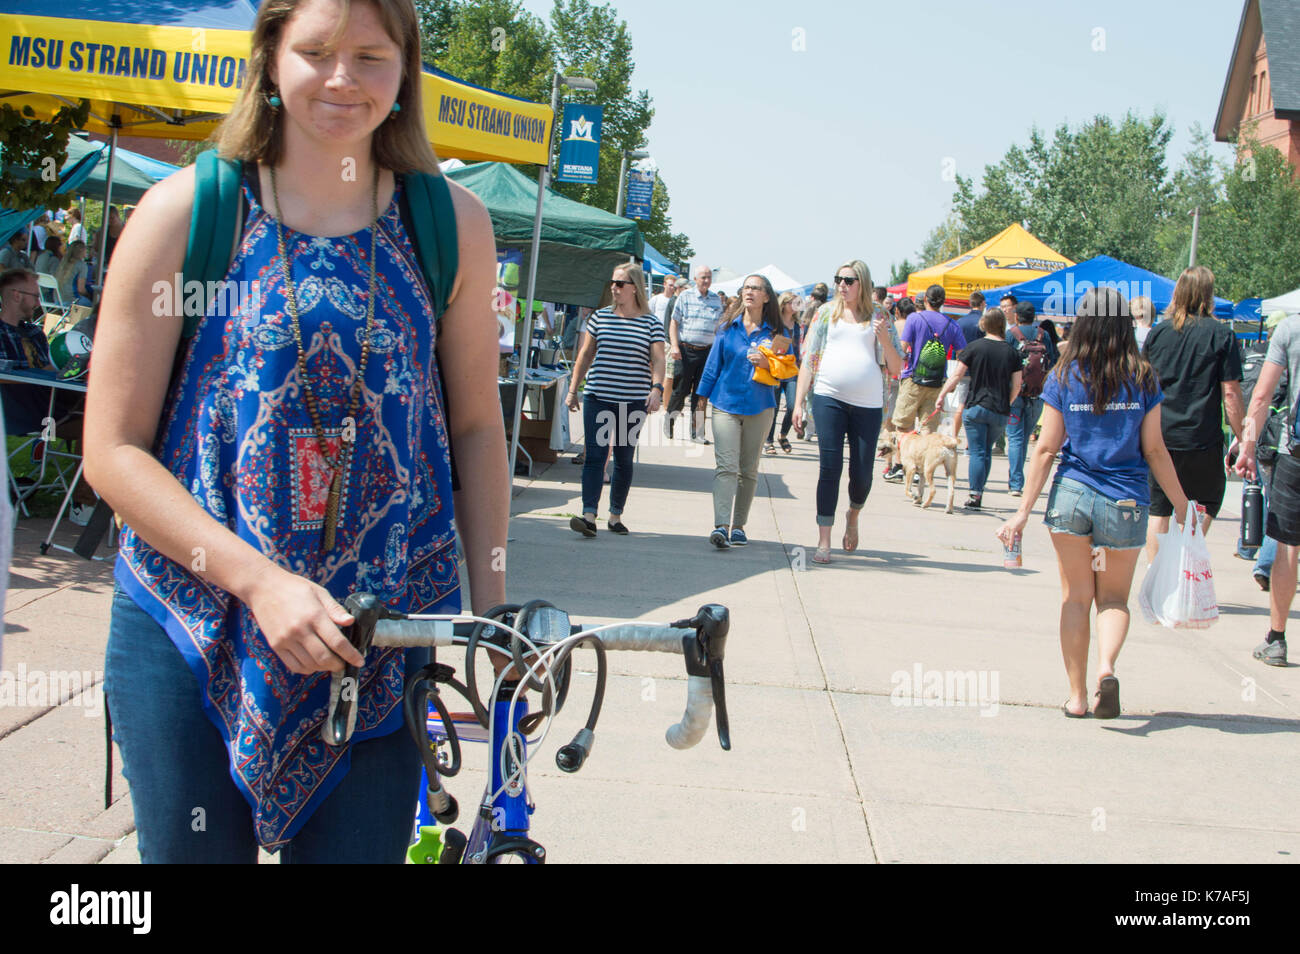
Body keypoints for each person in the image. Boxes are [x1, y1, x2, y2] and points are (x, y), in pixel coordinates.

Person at [83, 0, 508, 863]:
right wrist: (259, 584)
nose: (344, 78)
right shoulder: (186, 214)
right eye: (316, 51)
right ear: (271, 58)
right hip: (192, 629)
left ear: (405, 71)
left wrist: (492, 612)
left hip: (382, 640)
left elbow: (473, 425)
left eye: (371, 55)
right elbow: (111, 450)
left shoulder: (450, 224)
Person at [997, 288, 1188, 719]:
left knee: (1076, 598)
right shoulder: (1143, 377)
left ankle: (1077, 697)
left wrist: (1023, 510)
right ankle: (1106, 669)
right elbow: (1155, 449)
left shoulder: (1064, 376)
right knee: (1114, 600)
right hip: (1125, 500)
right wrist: (1180, 503)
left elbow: (1045, 449)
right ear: (1124, 323)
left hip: (1073, 497)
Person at [792, 260, 902, 563]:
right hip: (829, 397)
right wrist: (799, 402)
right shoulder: (826, 313)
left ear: (862, 284)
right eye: (838, 279)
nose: (842, 285)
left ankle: (853, 514)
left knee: (862, 473)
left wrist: (882, 340)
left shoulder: (880, 316)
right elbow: (809, 359)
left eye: (849, 280)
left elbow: (896, 367)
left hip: (868, 405)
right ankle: (823, 539)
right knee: (829, 468)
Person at [1142, 266, 1244, 559]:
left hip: (1160, 436)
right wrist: (1242, 437)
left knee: (1158, 509)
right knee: (1206, 503)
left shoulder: (1158, 333)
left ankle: (1157, 577)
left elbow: (1144, 385)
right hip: (1202, 437)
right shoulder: (1221, 335)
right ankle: (1185, 564)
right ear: (1208, 295)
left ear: (1178, 293)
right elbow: (1230, 393)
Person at [565, 263, 665, 536]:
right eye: (612, 282)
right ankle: (588, 516)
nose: (614, 287)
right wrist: (573, 389)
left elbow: (658, 358)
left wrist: (657, 388)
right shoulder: (599, 318)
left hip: (633, 400)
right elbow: (585, 355)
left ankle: (615, 516)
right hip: (599, 395)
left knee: (623, 458)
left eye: (620, 283)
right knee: (595, 456)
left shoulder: (651, 322)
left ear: (634, 288)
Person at [1234, 311, 1300, 667]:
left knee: (1288, 545)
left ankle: (1277, 638)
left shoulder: (1291, 327)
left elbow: (1261, 396)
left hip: (1295, 454)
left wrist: (1247, 444)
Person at [697, 274, 780, 549]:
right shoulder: (727, 328)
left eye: (756, 288)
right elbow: (712, 365)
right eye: (746, 287)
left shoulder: (776, 333)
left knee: (748, 470)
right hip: (725, 404)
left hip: (760, 406)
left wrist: (768, 365)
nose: (750, 292)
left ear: (766, 296)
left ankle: (739, 527)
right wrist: (701, 400)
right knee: (726, 466)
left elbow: (788, 371)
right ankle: (720, 525)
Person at [934, 306, 1022, 510]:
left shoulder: (974, 347)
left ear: (984, 324)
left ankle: (975, 495)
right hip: (999, 410)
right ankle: (978, 490)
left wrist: (942, 394)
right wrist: (1007, 403)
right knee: (987, 452)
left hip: (976, 406)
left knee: (977, 452)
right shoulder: (1012, 352)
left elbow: (956, 375)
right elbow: (1017, 385)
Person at [892, 283, 965, 437]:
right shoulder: (952, 325)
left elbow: (902, 348)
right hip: (936, 383)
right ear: (943, 302)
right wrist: (952, 381)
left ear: (925, 299)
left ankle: (902, 461)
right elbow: (963, 355)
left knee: (903, 426)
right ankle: (923, 460)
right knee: (928, 429)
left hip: (912, 379)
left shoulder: (914, 318)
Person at [1005, 301, 1060, 496]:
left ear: (1017, 316)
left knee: (1015, 438)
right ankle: (1020, 481)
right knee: (1025, 436)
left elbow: (1005, 363)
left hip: (1014, 393)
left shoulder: (1011, 334)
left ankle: (1016, 483)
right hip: (1038, 393)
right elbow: (1054, 362)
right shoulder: (1043, 335)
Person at [666, 264, 722, 443]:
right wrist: (674, 346)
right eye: (703, 277)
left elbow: (720, 327)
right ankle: (670, 421)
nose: (706, 281)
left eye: (709, 277)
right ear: (695, 279)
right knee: (680, 391)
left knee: (701, 393)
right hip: (685, 351)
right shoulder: (685, 296)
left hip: (707, 352)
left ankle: (697, 433)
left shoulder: (716, 299)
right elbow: (674, 323)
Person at [765, 291, 803, 454]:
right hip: (776, 368)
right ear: (784, 304)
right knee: (773, 406)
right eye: (791, 303)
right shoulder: (775, 323)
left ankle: (783, 434)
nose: (795, 306)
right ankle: (769, 440)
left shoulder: (797, 325)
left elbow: (800, 348)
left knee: (793, 405)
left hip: (792, 369)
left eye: (797, 303)